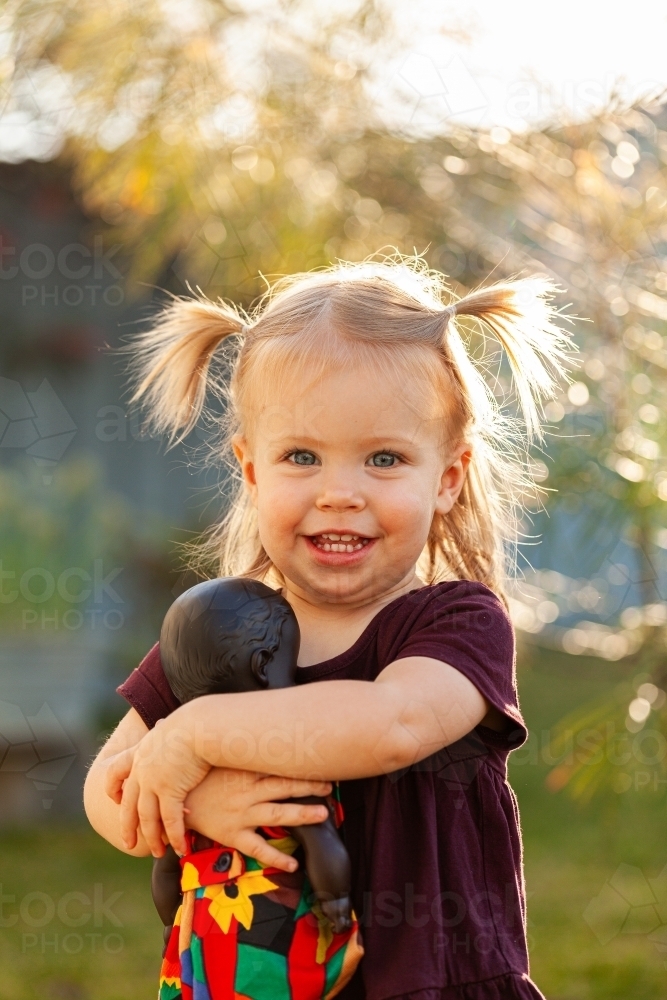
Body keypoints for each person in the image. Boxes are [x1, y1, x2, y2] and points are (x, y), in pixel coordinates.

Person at [84, 254, 573, 1000]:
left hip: (428, 982)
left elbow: (388, 725)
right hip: (254, 980)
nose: (339, 493)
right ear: (251, 471)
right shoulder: (217, 629)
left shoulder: (456, 624)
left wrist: (190, 738)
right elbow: (112, 792)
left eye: (383, 458)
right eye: (301, 457)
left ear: (446, 477)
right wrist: (193, 801)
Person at [152, 577, 362, 999]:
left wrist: (172, 923)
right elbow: (321, 841)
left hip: (201, 948)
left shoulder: (182, 775)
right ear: (264, 665)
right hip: (268, 942)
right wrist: (337, 902)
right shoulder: (281, 757)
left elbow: (165, 869)